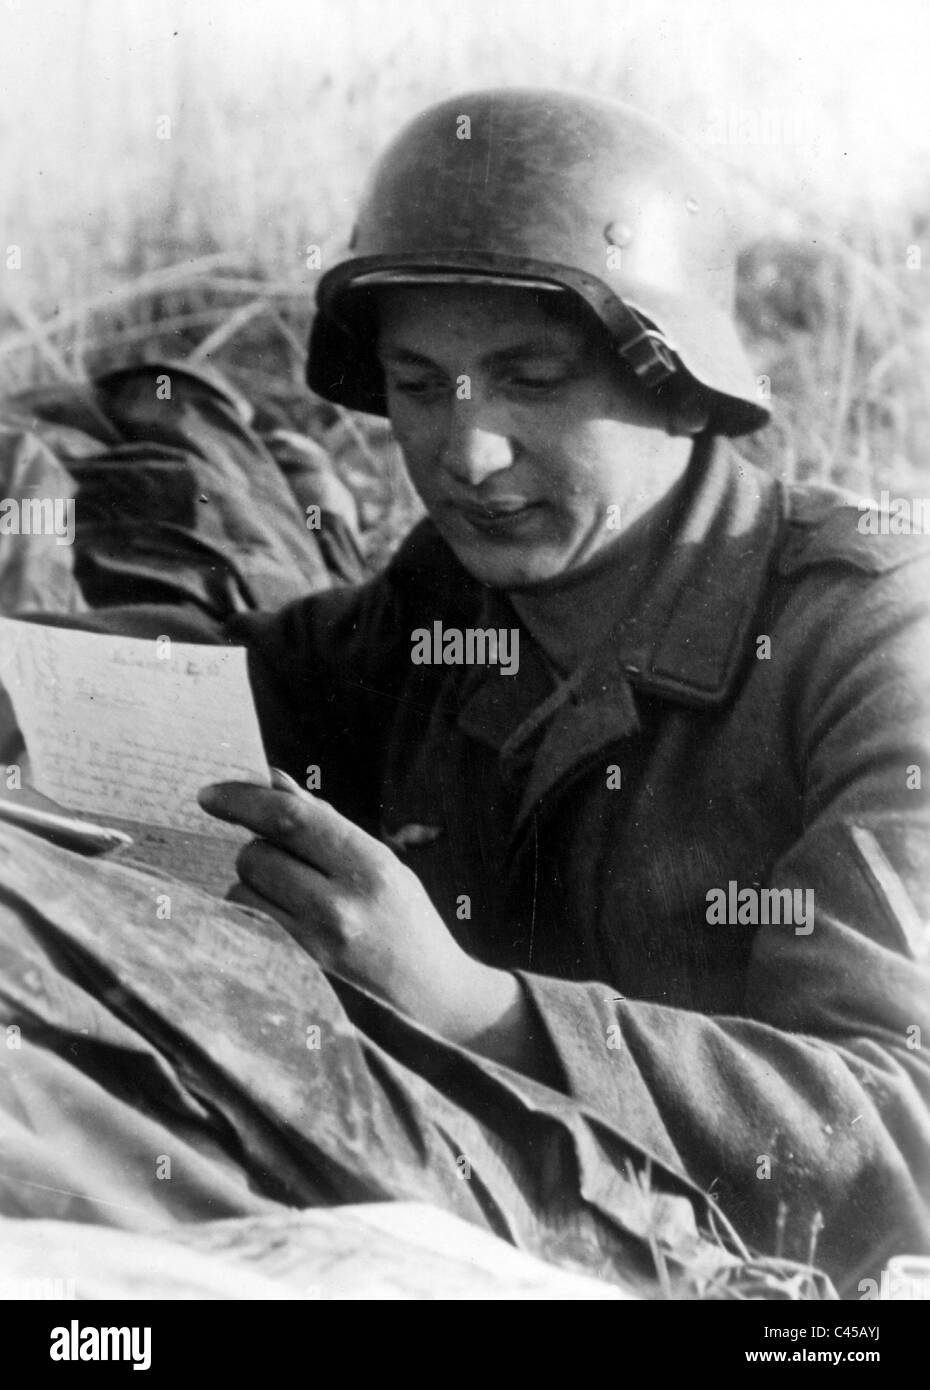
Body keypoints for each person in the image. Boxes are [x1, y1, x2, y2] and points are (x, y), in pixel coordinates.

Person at [7, 88, 930, 1295]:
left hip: (688, 1256)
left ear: (679, 383)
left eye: (531, 379)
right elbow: (256, 672)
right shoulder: (460, 589)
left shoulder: (876, 632)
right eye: (417, 381)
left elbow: (897, 1127)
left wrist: (474, 1009)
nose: (468, 453)